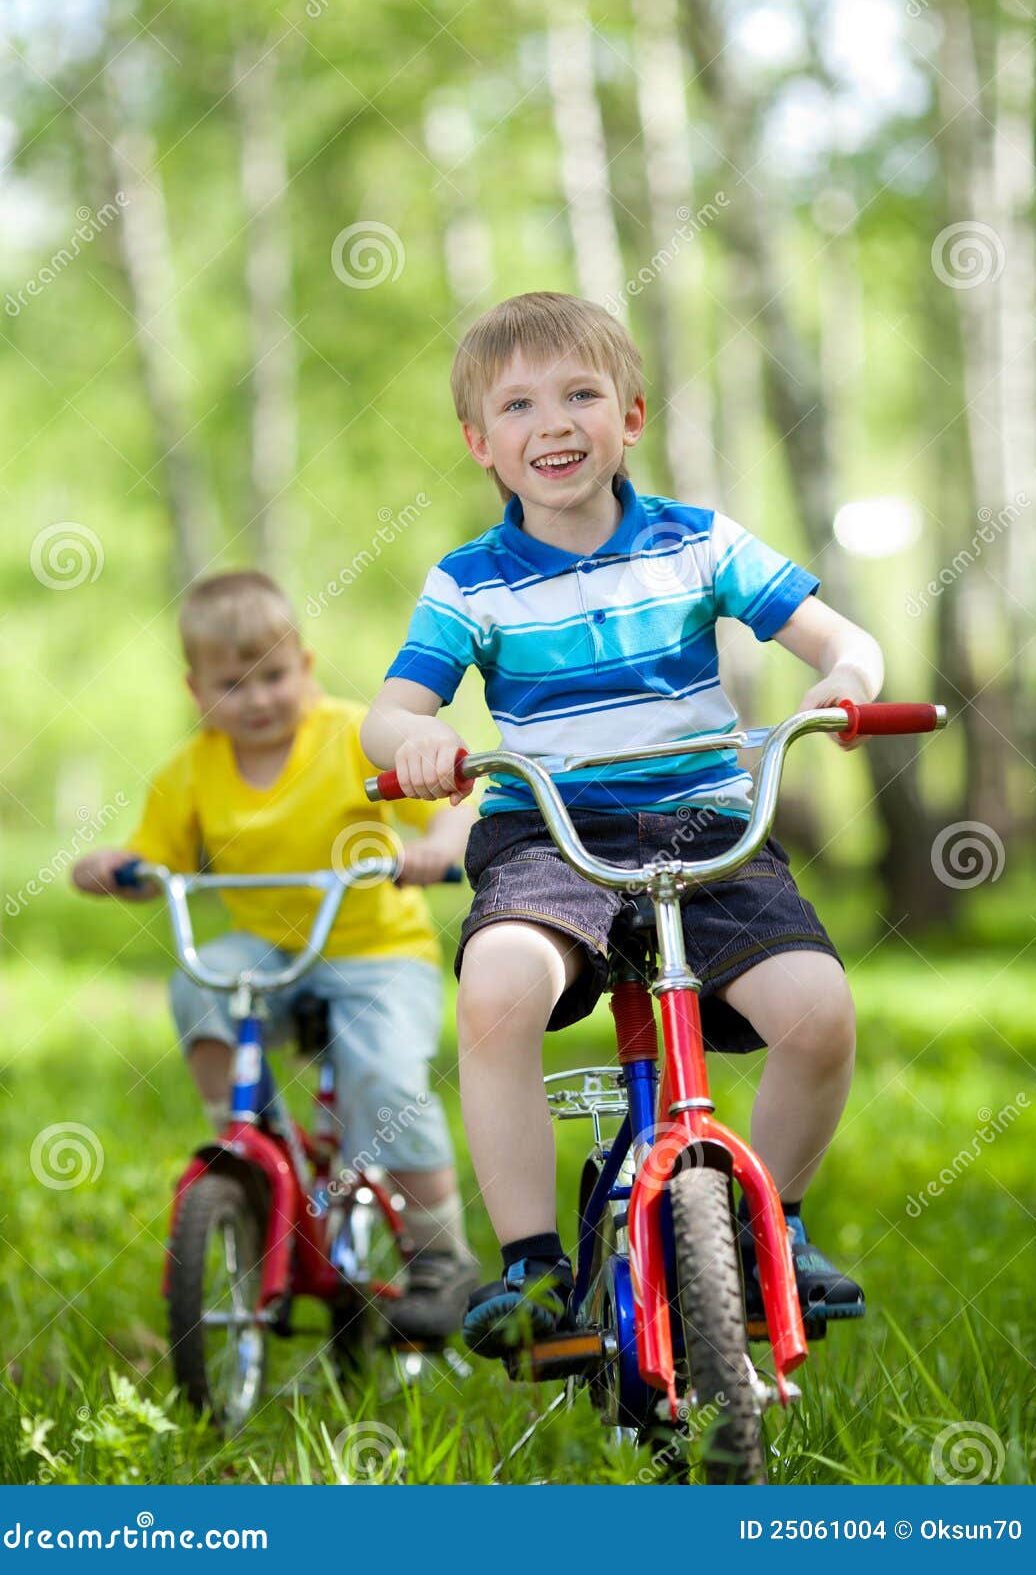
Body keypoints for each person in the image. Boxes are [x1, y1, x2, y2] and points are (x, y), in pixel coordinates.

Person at [359, 291, 884, 1357]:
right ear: (481, 445)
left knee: (817, 1010)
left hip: (700, 827)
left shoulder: (699, 544)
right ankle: (529, 1262)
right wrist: (411, 742)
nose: (551, 422)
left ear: (630, 416)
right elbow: (390, 709)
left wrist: (840, 682)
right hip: (548, 834)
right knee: (498, 987)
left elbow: (845, 640)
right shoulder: (469, 583)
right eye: (517, 405)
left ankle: (763, 1222)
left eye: (579, 394)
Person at [72, 569, 478, 1342]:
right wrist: (114, 869)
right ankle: (247, 1140)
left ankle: (438, 1255)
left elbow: (451, 806)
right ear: (197, 691)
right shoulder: (191, 770)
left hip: (374, 948)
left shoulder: (350, 737)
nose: (257, 699)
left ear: (307, 665)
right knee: (202, 979)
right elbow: (151, 859)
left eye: (275, 677)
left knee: (384, 1080)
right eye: (233, 685)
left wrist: (438, 849)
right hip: (266, 948)